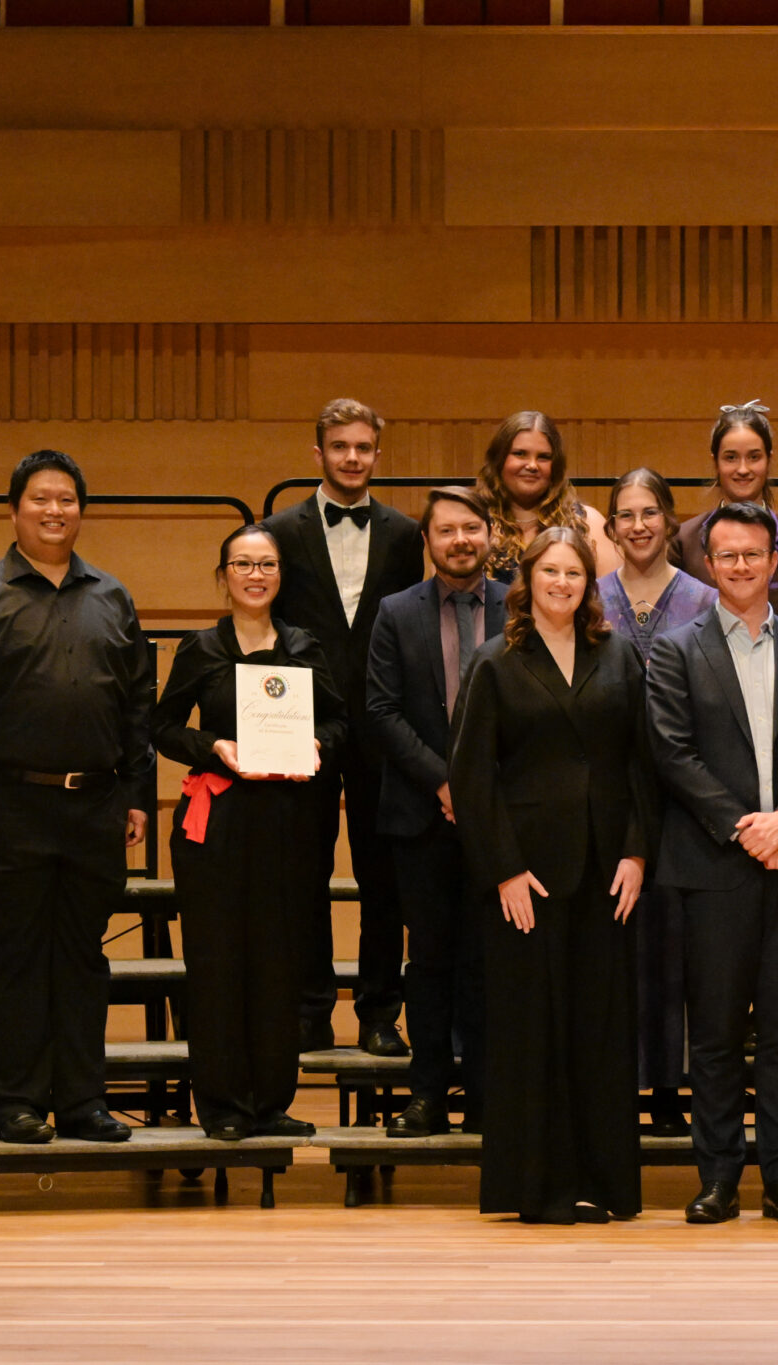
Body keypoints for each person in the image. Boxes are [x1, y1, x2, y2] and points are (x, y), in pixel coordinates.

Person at [0, 450, 153, 1145]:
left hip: (97, 807)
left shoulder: (113, 596)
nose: (55, 511)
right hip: (4, 806)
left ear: (82, 510)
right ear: (15, 510)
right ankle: (16, 1100)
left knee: (84, 957)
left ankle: (83, 1100)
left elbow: (138, 708)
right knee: (16, 955)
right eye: (40, 500)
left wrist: (140, 796)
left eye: (67, 500)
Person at [646, 501, 778, 1225]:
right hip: (712, 865)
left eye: (752, 554)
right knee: (717, 1032)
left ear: (775, 560)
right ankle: (718, 1176)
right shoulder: (673, 649)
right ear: (708, 561)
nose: (739, 565)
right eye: (726, 554)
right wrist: (745, 829)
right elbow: (672, 752)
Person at [450, 527, 659, 1223]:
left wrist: (636, 852)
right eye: (550, 572)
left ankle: (603, 1184)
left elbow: (641, 765)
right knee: (531, 1031)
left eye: (574, 573)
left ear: (588, 584)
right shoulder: (495, 661)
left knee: (599, 1031)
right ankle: (535, 1188)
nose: (562, 583)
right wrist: (503, 868)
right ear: (528, 580)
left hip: (606, 872)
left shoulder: (619, 656)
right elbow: (472, 777)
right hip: (527, 877)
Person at [156, 525, 344, 1141]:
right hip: (216, 825)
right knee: (217, 964)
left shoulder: (306, 647)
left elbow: (342, 722)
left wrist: (318, 742)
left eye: (266, 565)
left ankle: (272, 1101)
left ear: (280, 575)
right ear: (224, 575)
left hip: (288, 824)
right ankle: (223, 1106)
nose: (255, 575)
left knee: (278, 964)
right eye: (242, 564)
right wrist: (212, 747)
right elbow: (160, 727)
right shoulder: (201, 648)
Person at [266, 397, 425, 1056]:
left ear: (376, 455)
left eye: (364, 447)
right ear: (319, 453)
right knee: (301, 870)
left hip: (384, 723)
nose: (353, 458)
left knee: (382, 875)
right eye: (341, 447)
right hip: (299, 723)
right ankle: (308, 1009)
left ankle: (379, 1010)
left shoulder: (405, 533)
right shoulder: (276, 530)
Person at [365, 488, 509, 1138]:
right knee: (427, 962)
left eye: (470, 528)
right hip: (420, 815)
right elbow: (383, 711)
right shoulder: (396, 612)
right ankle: (426, 1093)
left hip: (501, 814)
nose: (460, 539)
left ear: (489, 534)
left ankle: (485, 1094)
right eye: (447, 530)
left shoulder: (521, 606)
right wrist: (445, 783)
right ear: (428, 540)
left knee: (491, 960)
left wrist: (480, 788)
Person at [596, 467, 718, 1135]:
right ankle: (616, 1084)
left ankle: (674, 1089)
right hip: (607, 801)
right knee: (615, 952)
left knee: (681, 953)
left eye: (650, 512)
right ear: (610, 526)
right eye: (625, 514)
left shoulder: (704, 599)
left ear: (670, 521)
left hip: (686, 802)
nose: (638, 524)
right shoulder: (584, 597)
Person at [669, 401, 778, 630]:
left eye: (754, 457)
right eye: (731, 457)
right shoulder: (683, 541)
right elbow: (676, 627)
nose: (743, 469)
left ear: (769, 459)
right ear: (715, 461)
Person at [474, 409, 619, 583]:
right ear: (499, 460)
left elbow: (613, 604)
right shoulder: (472, 524)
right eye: (520, 454)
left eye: (543, 457)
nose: (532, 465)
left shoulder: (589, 523)